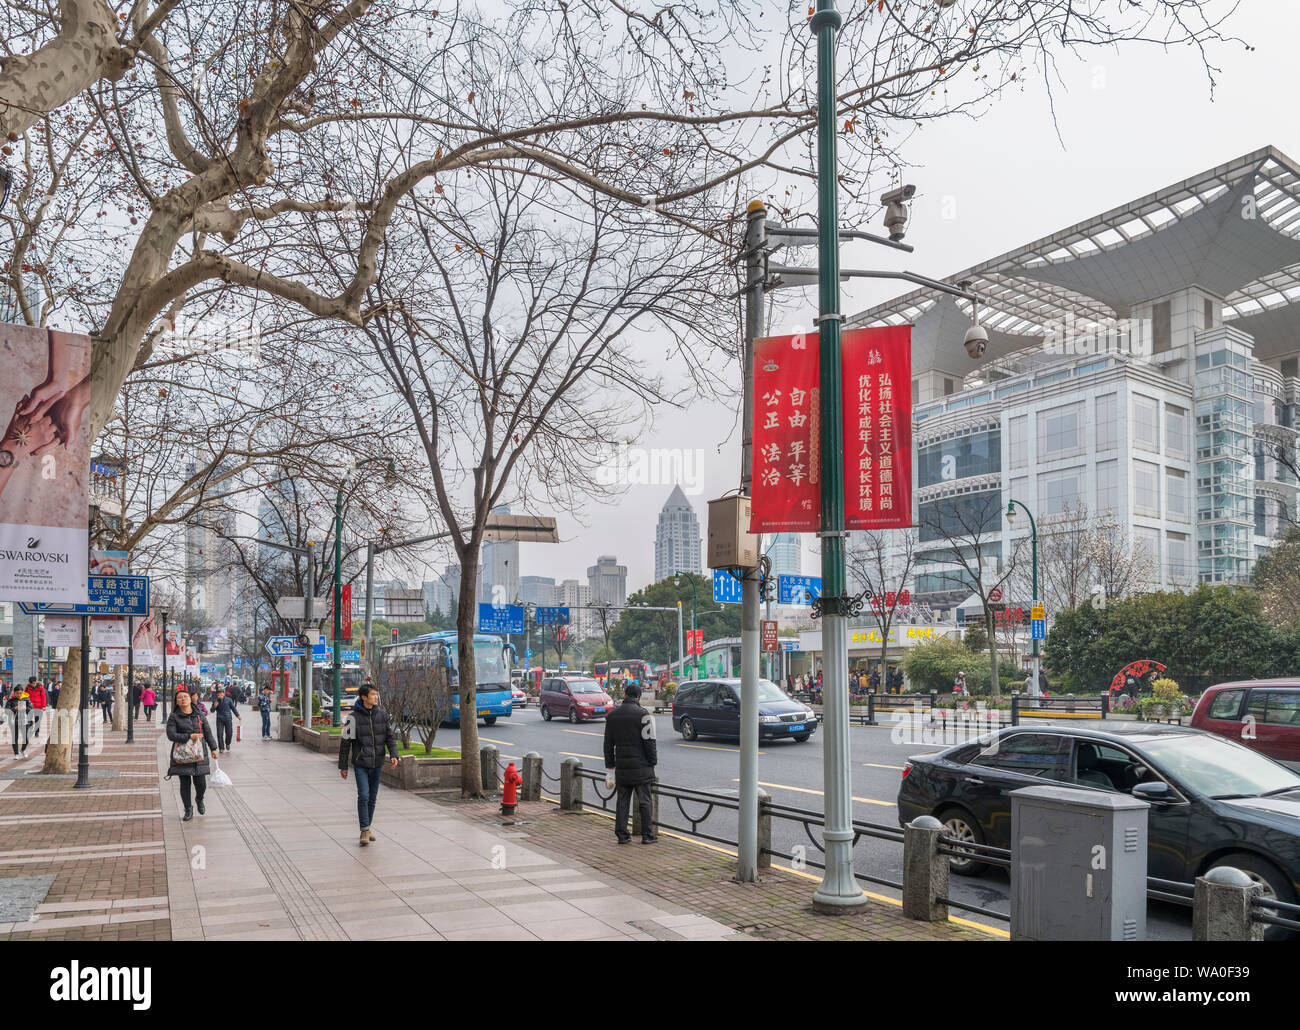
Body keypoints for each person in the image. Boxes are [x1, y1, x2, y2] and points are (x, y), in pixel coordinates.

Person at [337, 683, 398, 847]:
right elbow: (345, 744)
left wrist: (394, 755)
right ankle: (364, 830)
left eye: (376, 695)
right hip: (361, 763)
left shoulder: (383, 716)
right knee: (363, 796)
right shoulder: (352, 718)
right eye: (372, 695)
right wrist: (343, 766)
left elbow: (389, 738)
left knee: (372, 798)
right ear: (364, 697)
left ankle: (367, 827)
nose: (376, 697)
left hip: (377, 762)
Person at [603, 682, 658, 845]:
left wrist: (610, 764)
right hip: (642, 767)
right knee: (645, 801)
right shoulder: (644, 714)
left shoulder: (612, 716)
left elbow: (608, 744)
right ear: (639, 697)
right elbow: (650, 742)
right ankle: (648, 835)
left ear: (625, 695)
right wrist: (652, 762)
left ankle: (622, 835)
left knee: (623, 801)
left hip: (622, 767)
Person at [165, 688, 217, 821]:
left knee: (201, 784)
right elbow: (171, 735)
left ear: (190, 699)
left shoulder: (199, 715)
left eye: (185, 696)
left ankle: (199, 799)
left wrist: (213, 748)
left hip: (199, 754)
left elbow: (208, 732)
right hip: (182, 755)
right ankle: (188, 809)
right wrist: (189, 736)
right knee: (185, 783)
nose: (183, 699)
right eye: (180, 697)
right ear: (176, 701)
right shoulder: (174, 717)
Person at [5, 684, 31, 757]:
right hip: (14, 721)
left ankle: (23, 750)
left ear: (22, 692)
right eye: (17, 693)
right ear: (14, 693)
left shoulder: (26, 699)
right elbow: (6, 711)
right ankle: (16, 753)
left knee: (26, 737)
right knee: (15, 737)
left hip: (25, 721)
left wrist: (26, 708)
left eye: (20, 693)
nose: (19, 695)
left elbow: (31, 709)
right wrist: (14, 709)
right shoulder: (11, 700)